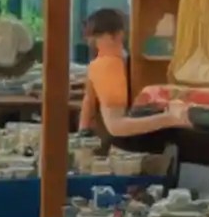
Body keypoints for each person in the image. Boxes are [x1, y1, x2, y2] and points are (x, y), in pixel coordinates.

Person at [78, 8, 190, 146]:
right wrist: (170, 119)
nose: (92, 44)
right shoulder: (106, 65)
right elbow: (115, 126)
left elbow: (89, 100)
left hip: (131, 135)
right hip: (126, 141)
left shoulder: (112, 64)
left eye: (95, 38)